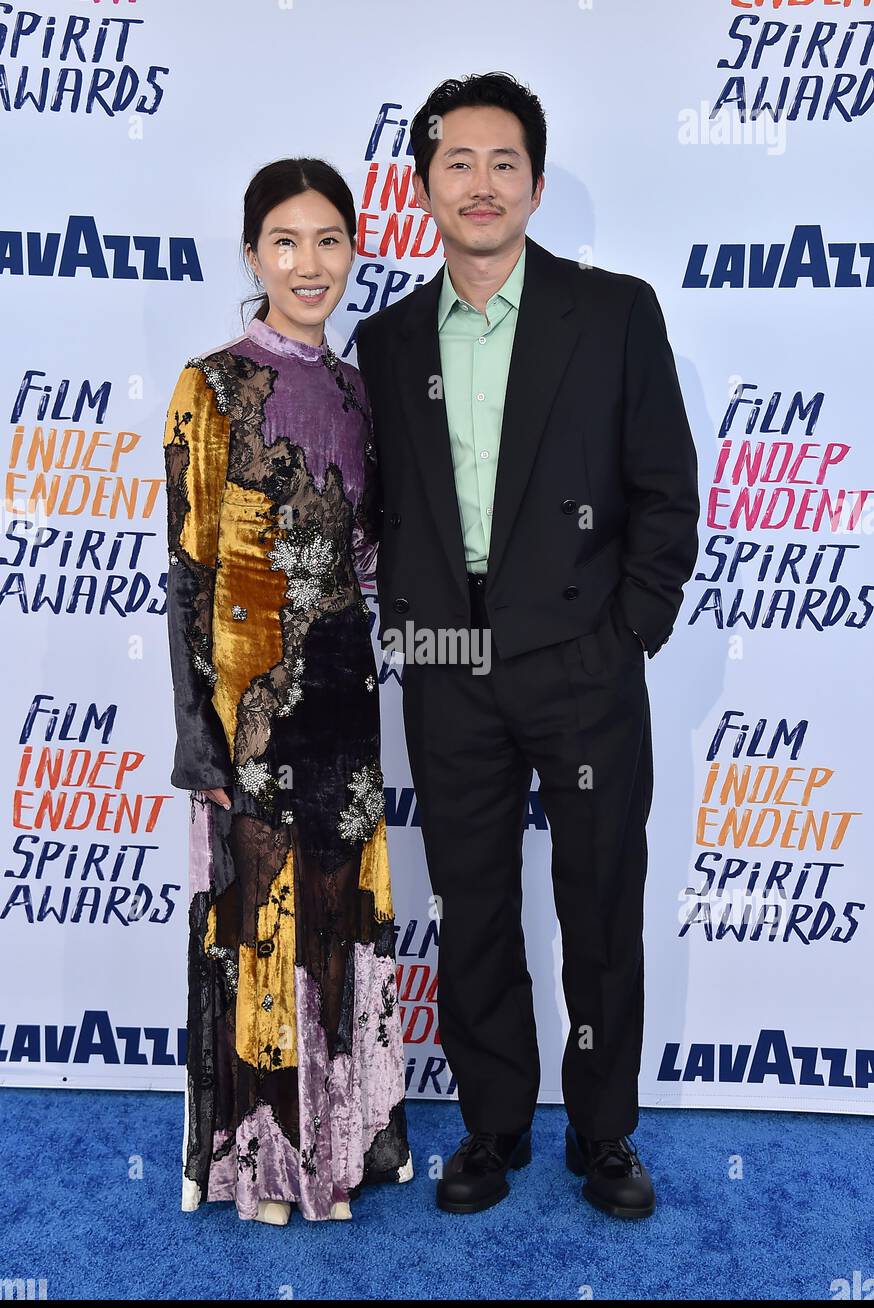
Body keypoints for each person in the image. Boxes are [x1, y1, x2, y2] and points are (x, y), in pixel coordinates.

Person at [355, 73, 699, 1219]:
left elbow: (664, 493)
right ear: (423, 188)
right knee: (473, 903)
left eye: (505, 163)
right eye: (458, 162)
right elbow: (387, 508)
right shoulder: (389, 337)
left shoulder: (613, 314)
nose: (482, 182)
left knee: (600, 900)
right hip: (451, 665)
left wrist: (627, 634)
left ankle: (602, 1134)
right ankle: (492, 1127)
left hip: (582, 660)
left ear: (536, 185)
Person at [163, 157, 412, 1225]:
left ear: (353, 250)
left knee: (340, 923)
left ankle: (346, 1138)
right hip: (245, 713)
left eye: (328, 242)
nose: (309, 265)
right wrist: (198, 745)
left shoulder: (360, 390)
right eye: (284, 242)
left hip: (345, 705)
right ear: (252, 254)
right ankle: (264, 1156)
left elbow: (369, 557)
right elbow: (185, 575)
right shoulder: (210, 384)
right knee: (258, 928)